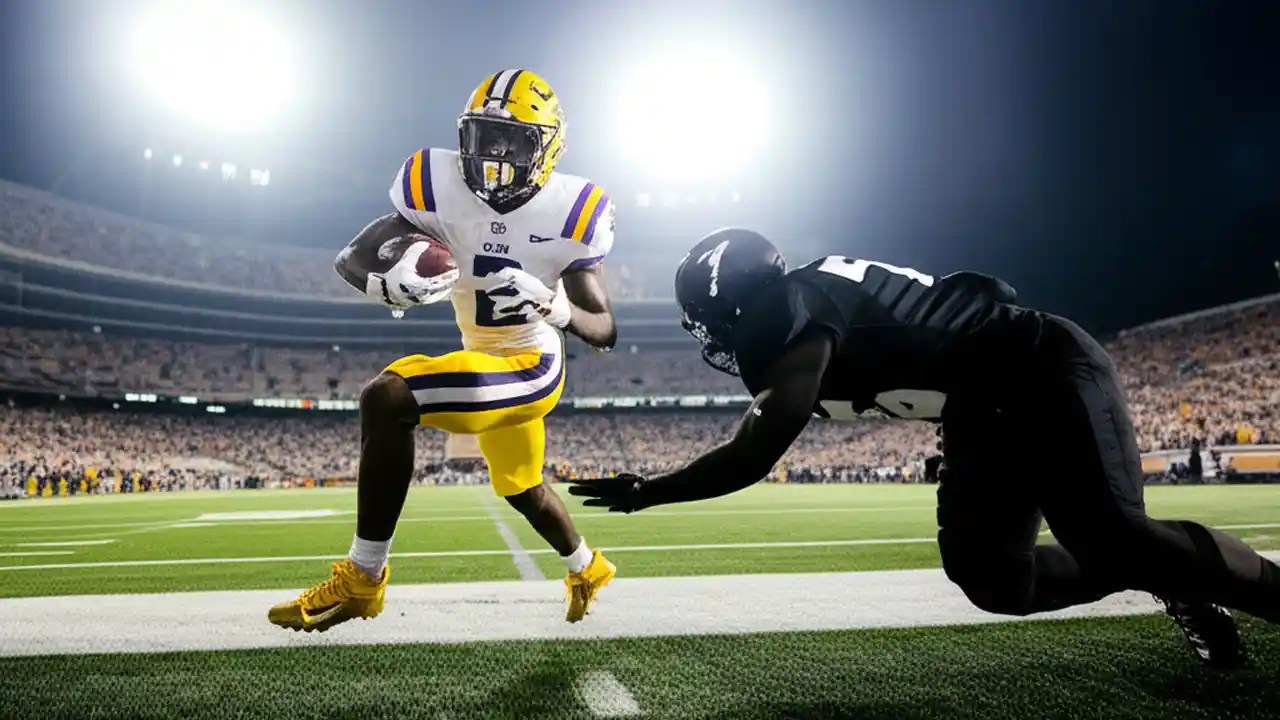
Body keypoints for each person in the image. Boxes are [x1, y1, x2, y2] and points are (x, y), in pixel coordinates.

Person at [570, 227, 1280, 667]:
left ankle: (1239, 585)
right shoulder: (813, 297)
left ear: (733, 304)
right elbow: (979, 289)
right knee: (993, 577)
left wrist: (649, 491)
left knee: (1113, 535)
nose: (714, 341)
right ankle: (1171, 577)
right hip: (982, 405)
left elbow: (755, 453)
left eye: (707, 323)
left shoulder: (784, 313)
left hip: (1040, 369)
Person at [269, 69, 618, 632]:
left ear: (548, 148)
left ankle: (364, 578)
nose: (495, 155)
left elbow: (603, 328)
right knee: (523, 488)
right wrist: (383, 282)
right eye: (485, 137)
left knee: (388, 399)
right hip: (481, 354)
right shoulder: (434, 181)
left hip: (532, 362)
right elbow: (354, 255)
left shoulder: (573, 209)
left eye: (513, 141)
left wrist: (555, 307)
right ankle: (588, 567)